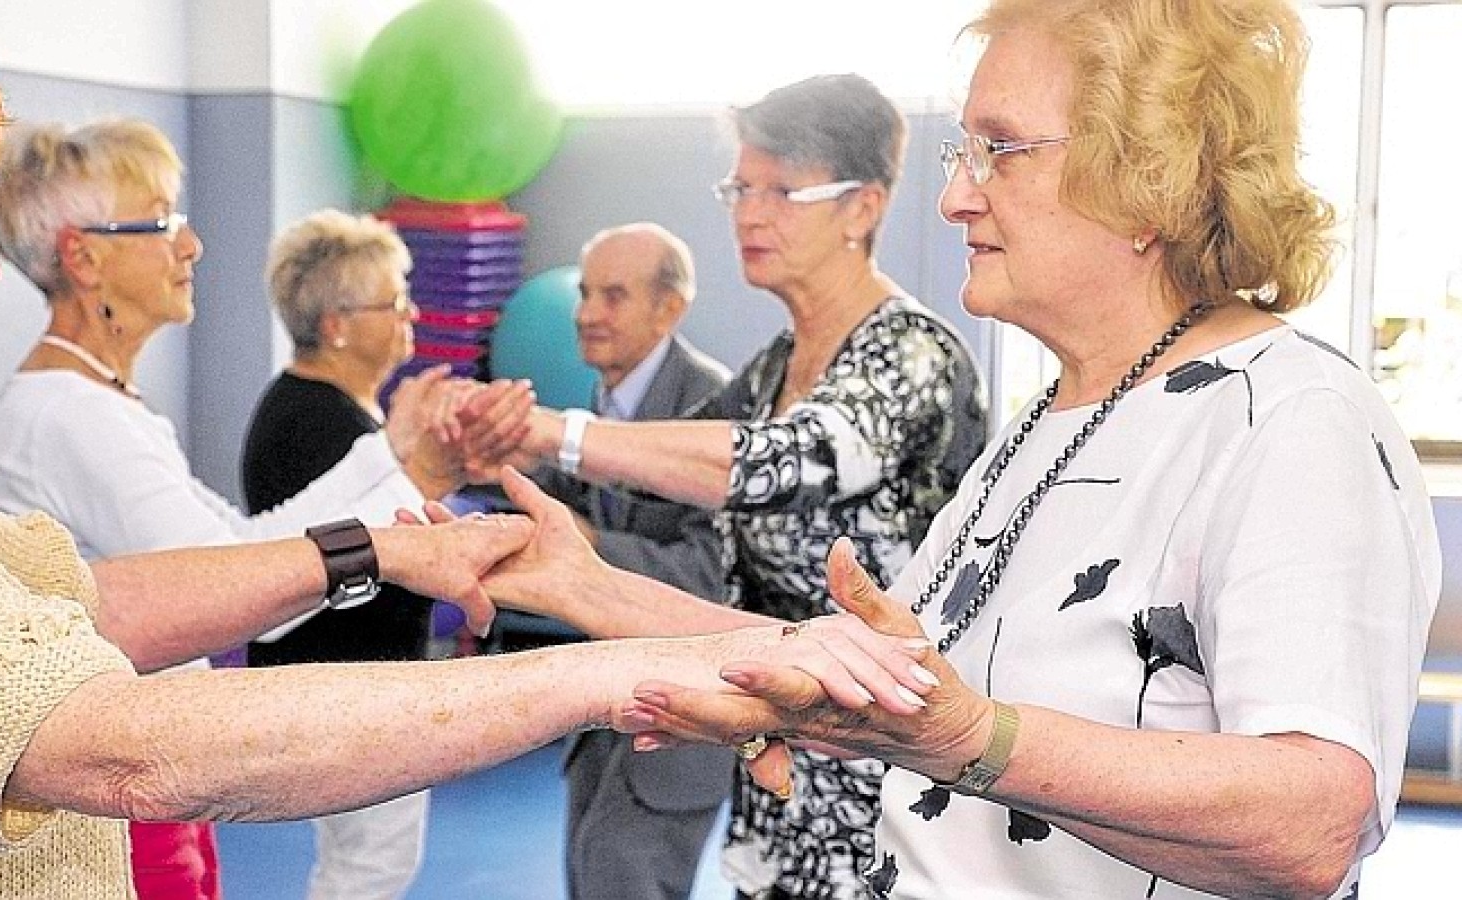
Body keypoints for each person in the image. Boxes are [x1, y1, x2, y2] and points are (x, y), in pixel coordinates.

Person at [0, 16, 934, 899]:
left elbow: (87, 601)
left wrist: (376, 543)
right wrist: (601, 654)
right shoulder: (50, 418)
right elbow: (118, 741)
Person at [585, 1, 1444, 898]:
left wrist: (972, 740)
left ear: (1149, 177)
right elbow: (898, 684)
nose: (957, 194)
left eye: (1001, 149)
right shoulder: (1054, 415)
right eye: (964, 151)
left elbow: (1313, 823)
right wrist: (581, 585)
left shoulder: (1294, 418)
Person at [466, 74, 988, 899]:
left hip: (893, 786)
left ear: (863, 207)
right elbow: (649, 462)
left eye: (782, 190)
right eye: (742, 187)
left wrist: (555, 431)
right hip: (781, 769)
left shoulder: (912, 354)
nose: (748, 212)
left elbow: (766, 461)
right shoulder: (775, 367)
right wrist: (493, 448)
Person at [0, 121, 478, 899]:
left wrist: (393, 459)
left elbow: (240, 549)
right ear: (85, 256)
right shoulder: (68, 416)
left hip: (147, 769)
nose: (191, 245)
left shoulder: (103, 404)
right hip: (112, 791)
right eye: (163, 220)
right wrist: (403, 478)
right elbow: (246, 598)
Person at [240, 209, 447, 899]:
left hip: (351, 681)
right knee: (369, 867)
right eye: (393, 303)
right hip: (346, 684)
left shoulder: (330, 412)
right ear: (337, 324)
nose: (409, 314)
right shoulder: (316, 422)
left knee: (366, 863)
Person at [543, 223, 734, 900]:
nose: (588, 314)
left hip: (682, 720)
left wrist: (590, 546)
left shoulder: (716, 411)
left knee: (617, 872)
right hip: (601, 713)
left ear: (669, 307)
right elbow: (564, 513)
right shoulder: (599, 404)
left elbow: (715, 578)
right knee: (590, 873)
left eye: (613, 295)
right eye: (585, 293)